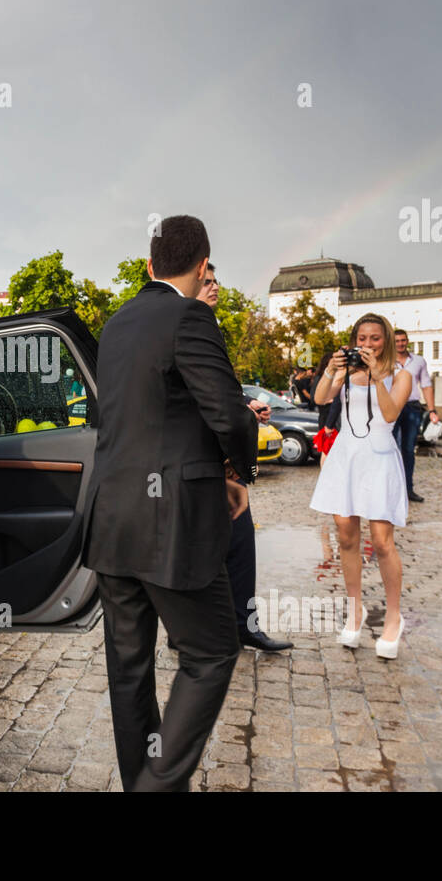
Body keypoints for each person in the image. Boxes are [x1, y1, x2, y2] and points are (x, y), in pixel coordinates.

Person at [83, 216, 258, 791]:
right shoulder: (191, 316)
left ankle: (143, 778)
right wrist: (239, 471)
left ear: (150, 264)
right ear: (204, 266)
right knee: (210, 653)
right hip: (174, 523)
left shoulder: (117, 324)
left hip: (113, 522)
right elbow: (228, 413)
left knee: (128, 670)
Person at [197, 264, 292, 653]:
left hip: (224, 464)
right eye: (207, 281)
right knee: (205, 549)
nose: (215, 287)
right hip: (200, 462)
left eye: (216, 280)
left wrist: (246, 404)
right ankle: (194, 631)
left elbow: (219, 391)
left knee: (239, 548)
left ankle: (243, 625)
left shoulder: (210, 327)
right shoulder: (188, 327)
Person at [309, 313, 413, 659]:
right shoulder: (347, 372)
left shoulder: (400, 375)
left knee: (382, 542)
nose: (367, 344)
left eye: (375, 338)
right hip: (347, 456)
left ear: (385, 341)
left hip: (379, 457)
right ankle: (355, 609)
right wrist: (332, 369)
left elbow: (389, 415)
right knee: (346, 535)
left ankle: (394, 617)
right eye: (362, 338)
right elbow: (321, 399)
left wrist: (375, 377)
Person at [391, 329, 440, 502]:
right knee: (390, 448)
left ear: (407, 341)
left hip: (412, 407)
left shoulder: (418, 361)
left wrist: (432, 409)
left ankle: (408, 488)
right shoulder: (386, 360)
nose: (400, 343)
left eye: (403, 340)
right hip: (392, 406)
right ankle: (390, 489)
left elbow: (426, 384)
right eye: (397, 341)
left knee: (408, 450)